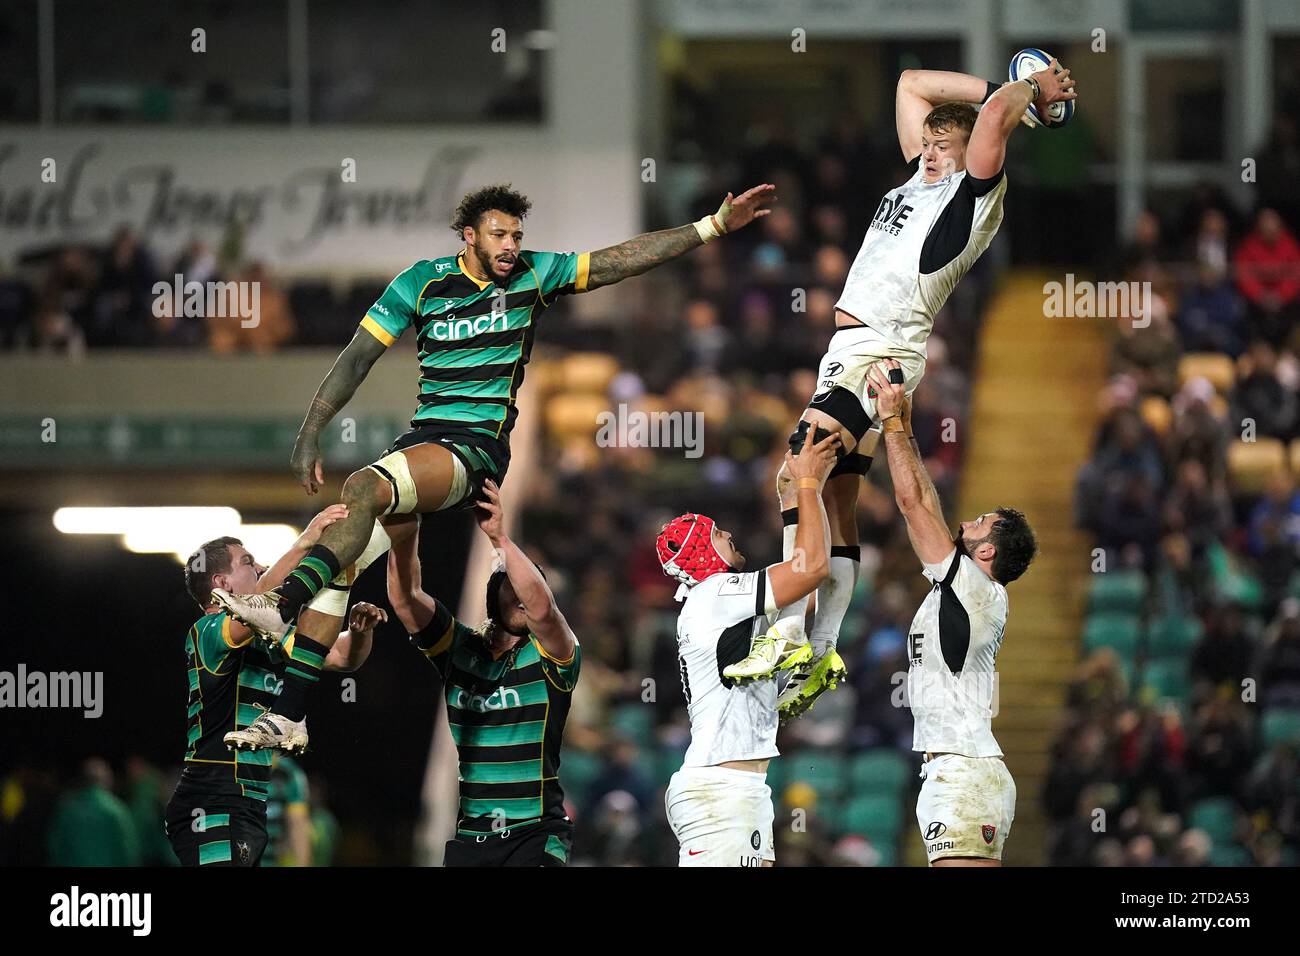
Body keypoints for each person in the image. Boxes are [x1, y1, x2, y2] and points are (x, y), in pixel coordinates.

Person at [213, 179, 776, 752]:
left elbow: (617, 261)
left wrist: (712, 226)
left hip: (475, 451)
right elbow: (359, 356)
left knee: (363, 485)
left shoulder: (535, 275)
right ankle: (288, 715)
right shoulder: (422, 282)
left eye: (517, 235)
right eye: (499, 234)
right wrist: (311, 429)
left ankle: (280, 603)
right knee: (343, 550)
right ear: (469, 236)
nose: (510, 244)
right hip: (424, 441)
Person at [769, 61, 1075, 721]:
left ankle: (792, 638)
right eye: (928, 145)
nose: (932, 153)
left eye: (946, 147)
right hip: (848, 350)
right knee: (838, 499)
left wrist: (1023, 95)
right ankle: (821, 651)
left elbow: (991, 122)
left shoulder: (973, 194)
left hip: (882, 350)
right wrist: (1004, 85)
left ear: (974, 158)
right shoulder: (923, 176)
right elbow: (908, 82)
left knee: (795, 475)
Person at [866, 359, 1038, 866]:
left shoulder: (975, 589)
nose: (967, 519)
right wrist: (907, 432)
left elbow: (913, 502)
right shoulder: (965, 588)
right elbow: (922, 497)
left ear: (987, 552)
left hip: (963, 772)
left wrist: (893, 424)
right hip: (957, 772)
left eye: (981, 522)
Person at [166, 511, 387, 866]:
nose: (259, 568)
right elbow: (265, 607)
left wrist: (361, 632)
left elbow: (344, 657)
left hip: (250, 801)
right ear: (221, 583)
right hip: (212, 799)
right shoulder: (208, 630)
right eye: (248, 562)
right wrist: (305, 545)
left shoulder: (271, 639)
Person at [659, 432, 840, 866]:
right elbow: (811, 568)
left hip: (732, 788)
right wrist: (810, 484)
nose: (729, 535)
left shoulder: (718, 603)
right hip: (722, 792)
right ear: (702, 552)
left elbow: (808, 587)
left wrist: (795, 497)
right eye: (717, 534)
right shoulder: (716, 593)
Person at [387, 481, 581, 866]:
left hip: (537, 833)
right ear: (494, 594)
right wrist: (405, 529)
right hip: (472, 838)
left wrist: (500, 539)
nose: (524, 597)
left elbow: (543, 609)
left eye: (530, 587)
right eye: (512, 588)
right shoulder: (460, 650)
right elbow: (405, 597)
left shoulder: (553, 653)